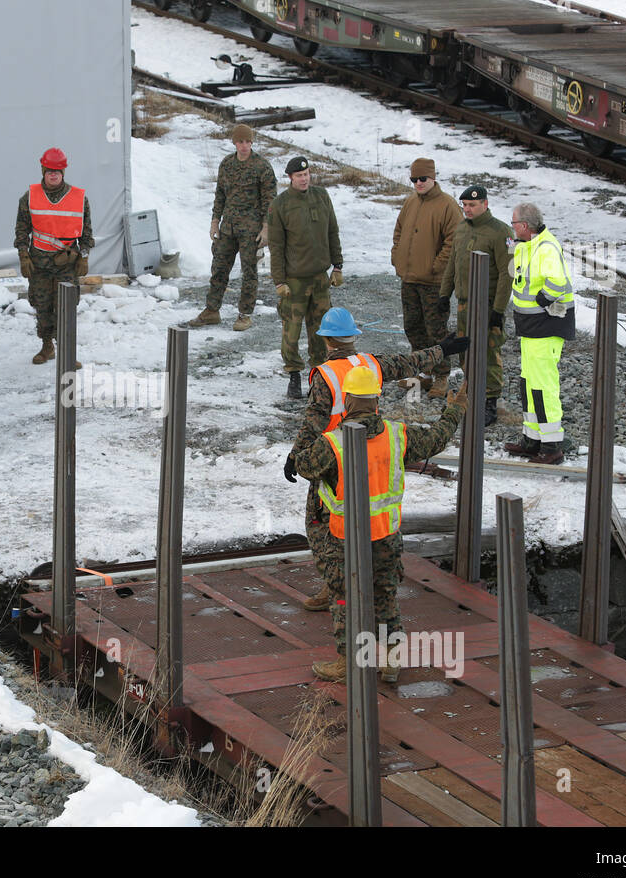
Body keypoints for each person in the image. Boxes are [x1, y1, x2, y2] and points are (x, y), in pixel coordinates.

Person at [290, 366, 468, 683]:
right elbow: (436, 439)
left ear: (345, 400)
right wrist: (453, 410)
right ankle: (389, 659)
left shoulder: (333, 444)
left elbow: (304, 466)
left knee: (345, 598)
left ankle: (350, 662)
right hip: (386, 536)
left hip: (346, 540)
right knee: (384, 596)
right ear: (377, 399)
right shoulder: (398, 435)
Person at [284, 306, 469, 612]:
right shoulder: (369, 365)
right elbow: (407, 363)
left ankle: (335, 587)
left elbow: (314, 420)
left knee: (320, 526)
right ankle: (367, 593)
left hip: (333, 456)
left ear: (328, 341)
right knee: (371, 519)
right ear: (353, 338)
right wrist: (443, 350)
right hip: (376, 448)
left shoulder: (325, 375)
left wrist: (296, 457)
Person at [504, 202, 576, 465]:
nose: (512, 228)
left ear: (524, 225)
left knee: (543, 385)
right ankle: (532, 440)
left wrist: (542, 301)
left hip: (546, 326)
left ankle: (552, 446)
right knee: (529, 382)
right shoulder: (527, 245)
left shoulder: (546, 248)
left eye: (514, 223)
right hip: (531, 328)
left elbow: (559, 283)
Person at [268, 156, 344, 400]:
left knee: (322, 330)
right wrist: (279, 281)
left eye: (307, 174)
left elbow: (332, 230)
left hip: (320, 278)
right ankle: (293, 375)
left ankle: (319, 375)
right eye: (299, 176)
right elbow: (276, 245)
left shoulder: (321, 196)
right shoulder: (280, 205)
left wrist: (338, 266)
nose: (304, 178)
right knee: (291, 331)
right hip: (294, 281)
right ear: (290, 178)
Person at [438, 184, 514, 427]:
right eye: (465, 205)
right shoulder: (461, 229)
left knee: (489, 352)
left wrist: (498, 310)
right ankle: (471, 392)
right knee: (465, 349)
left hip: (488, 304)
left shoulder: (501, 232)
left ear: (485, 204)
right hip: (464, 304)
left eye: (472, 205)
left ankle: (490, 400)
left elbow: (507, 273)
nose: (467, 210)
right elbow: (452, 263)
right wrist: (444, 294)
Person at [189, 124, 277, 332]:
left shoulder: (262, 167)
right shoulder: (227, 164)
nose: (244, 146)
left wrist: (266, 228)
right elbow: (220, 194)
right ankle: (211, 310)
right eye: (240, 141)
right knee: (219, 268)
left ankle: (244, 314)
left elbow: (270, 200)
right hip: (228, 228)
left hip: (251, 230)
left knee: (249, 272)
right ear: (234, 142)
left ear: (252, 143)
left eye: (247, 141)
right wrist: (214, 221)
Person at [14, 147, 93, 365]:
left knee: (66, 308)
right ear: (43, 170)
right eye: (49, 170)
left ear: (63, 172)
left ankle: (67, 352)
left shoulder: (79, 198)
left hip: (66, 264)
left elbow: (87, 233)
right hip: (39, 264)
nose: (53, 174)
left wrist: (84, 256)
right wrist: (23, 256)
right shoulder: (29, 197)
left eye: (57, 171)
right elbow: (21, 230)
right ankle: (47, 346)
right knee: (42, 306)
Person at [391, 158, 461, 398]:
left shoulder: (448, 206)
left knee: (436, 330)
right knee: (413, 326)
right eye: (414, 179)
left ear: (432, 178)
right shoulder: (410, 202)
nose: (418, 183)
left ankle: (441, 375)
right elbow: (399, 231)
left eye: (423, 179)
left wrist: (437, 266)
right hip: (409, 278)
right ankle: (422, 372)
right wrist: (397, 257)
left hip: (433, 282)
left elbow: (454, 240)